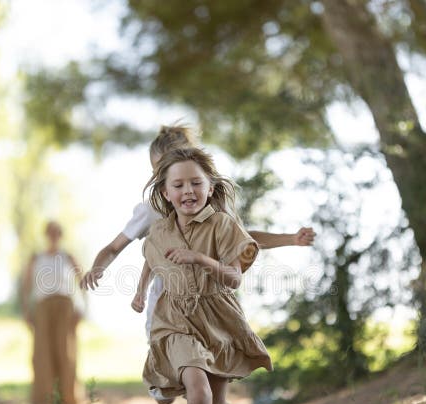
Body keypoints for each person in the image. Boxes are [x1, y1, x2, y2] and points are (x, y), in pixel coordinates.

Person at [81, 124, 315, 362]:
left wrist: (291, 239)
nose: (178, 181)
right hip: (168, 301)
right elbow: (135, 252)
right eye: (161, 170)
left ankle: (202, 392)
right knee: (169, 384)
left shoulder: (210, 205)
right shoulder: (151, 212)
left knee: (207, 376)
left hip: (211, 297)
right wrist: (102, 269)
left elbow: (243, 238)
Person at [138, 146, 271, 404]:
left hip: (216, 318)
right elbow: (153, 269)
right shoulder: (158, 233)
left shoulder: (224, 225)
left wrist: (199, 258)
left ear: (210, 187)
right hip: (175, 322)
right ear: (165, 193)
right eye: (178, 184)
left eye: (196, 182)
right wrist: (138, 297)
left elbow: (233, 277)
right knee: (198, 393)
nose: (188, 191)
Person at [20, 221, 85, 404]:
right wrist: (26, 310)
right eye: (50, 232)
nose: (53, 236)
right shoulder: (36, 258)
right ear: (46, 235)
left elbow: (82, 281)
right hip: (42, 307)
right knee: (42, 353)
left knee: (66, 352)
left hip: (65, 306)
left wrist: (81, 309)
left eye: (57, 232)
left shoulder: (68, 257)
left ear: (61, 235)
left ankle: (68, 399)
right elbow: (26, 286)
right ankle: (43, 400)